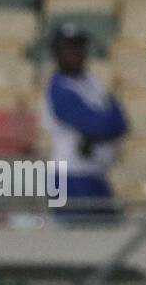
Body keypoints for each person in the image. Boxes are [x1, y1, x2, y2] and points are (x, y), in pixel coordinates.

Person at [42, 25, 129, 213]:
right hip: (70, 175)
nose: (75, 54)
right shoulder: (59, 89)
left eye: (79, 48)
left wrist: (108, 125)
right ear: (57, 54)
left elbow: (121, 123)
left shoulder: (92, 83)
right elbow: (97, 125)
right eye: (68, 49)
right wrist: (106, 124)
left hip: (96, 173)